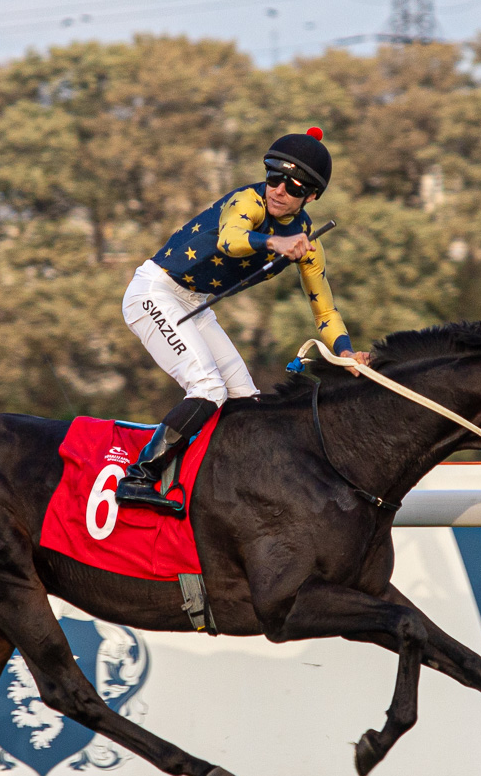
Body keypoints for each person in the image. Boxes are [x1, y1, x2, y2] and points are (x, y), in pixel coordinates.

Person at [116, 128, 370, 515]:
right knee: (207, 387)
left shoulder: (307, 242)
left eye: (293, 186)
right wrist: (274, 243)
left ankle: (228, 487)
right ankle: (139, 477)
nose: (279, 191)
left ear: (312, 197)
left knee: (247, 402)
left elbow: (325, 312)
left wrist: (347, 353)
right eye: (274, 178)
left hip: (195, 305)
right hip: (154, 292)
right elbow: (230, 240)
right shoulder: (247, 201)